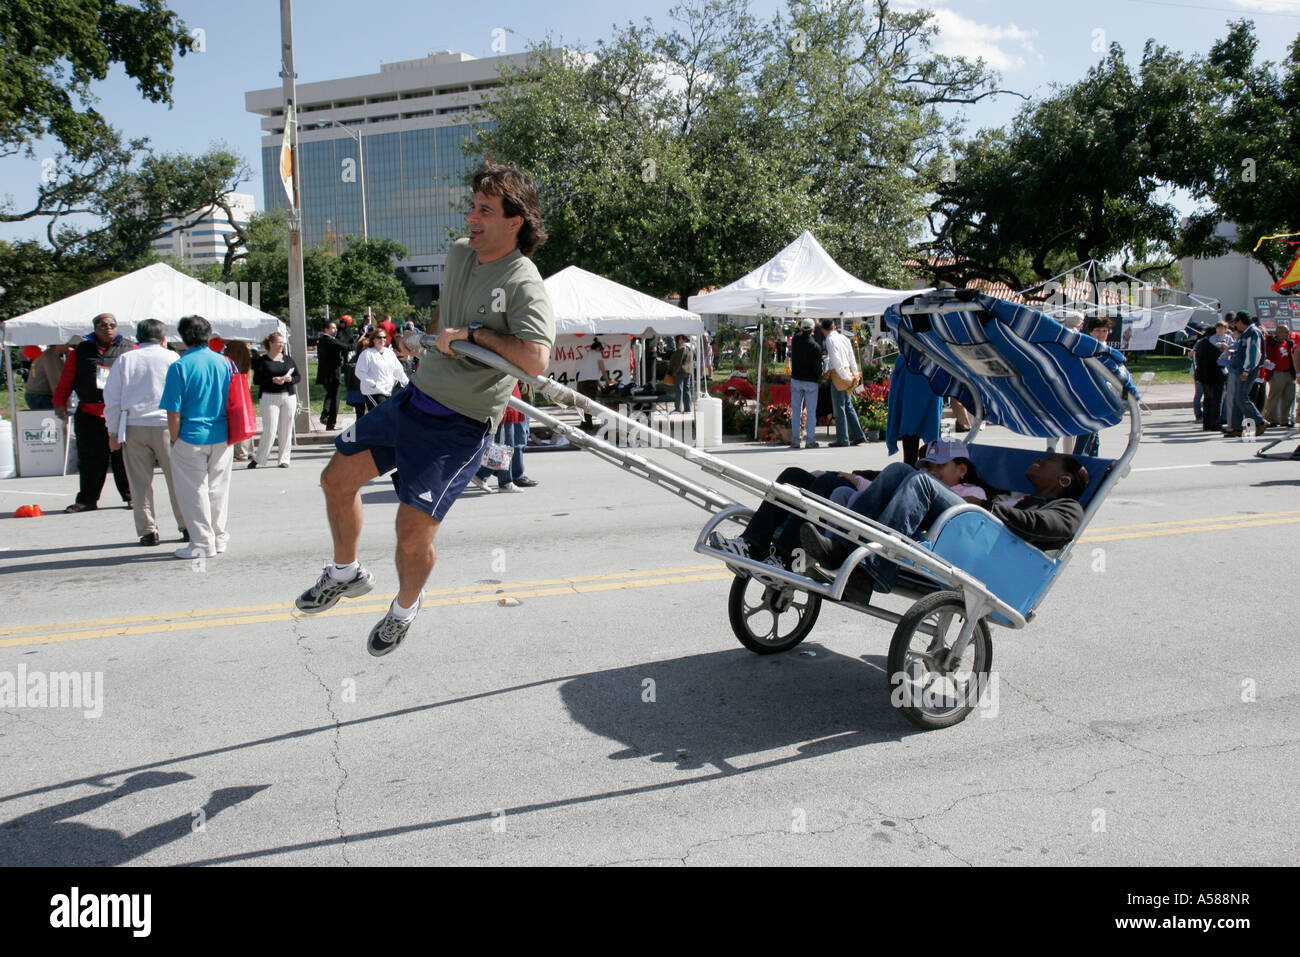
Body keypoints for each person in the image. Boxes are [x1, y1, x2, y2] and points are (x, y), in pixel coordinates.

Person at [292, 162, 555, 656]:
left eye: (484, 210)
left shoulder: (524, 281)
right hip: (413, 399)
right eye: (471, 207)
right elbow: (445, 315)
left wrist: (475, 335)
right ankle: (345, 573)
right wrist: (428, 339)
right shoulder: (460, 255)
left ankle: (403, 608)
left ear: (514, 221)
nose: (471, 218)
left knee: (410, 533)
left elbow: (537, 360)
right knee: (335, 479)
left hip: (458, 425)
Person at [800, 452, 1089, 597]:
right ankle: (842, 548)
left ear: (1063, 481)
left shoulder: (1068, 507)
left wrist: (990, 508)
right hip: (976, 527)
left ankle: (876, 568)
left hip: (987, 541)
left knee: (923, 482)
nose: (1039, 459)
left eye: (1049, 461)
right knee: (901, 470)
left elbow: (1047, 527)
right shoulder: (1020, 495)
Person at [710, 438, 986, 569]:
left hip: (916, 532)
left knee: (831, 486)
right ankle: (752, 544)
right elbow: (880, 488)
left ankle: (783, 557)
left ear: (962, 469)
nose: (933, 471)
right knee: (795, 475)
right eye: (928, 466)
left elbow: (978, 512)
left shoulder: (969, 493)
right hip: (874, 505)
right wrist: (851, 477)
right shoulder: (918, 485)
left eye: (940, 466)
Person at [102, 319, 185, 547]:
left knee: (139, 482)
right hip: (167, 423)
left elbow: (112, 399)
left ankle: (148, 530)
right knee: (177, 478)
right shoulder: (172, 358)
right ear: (163, 338)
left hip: (134, 424)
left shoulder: (125, 359)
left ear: (138, 337)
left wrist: (113, 432)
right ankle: (186, 524)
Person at [160, 315, 235, 560]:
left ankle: (202, 542)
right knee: (218, 490)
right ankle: (219, 536)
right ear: (209, 334)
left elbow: (174, 410)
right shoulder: (225, 362)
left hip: (191, 435)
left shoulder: (180, 366)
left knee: (194, 492)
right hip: (223, 433)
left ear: (182, 337)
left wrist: (174, 438)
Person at [53, 313, 133, 513]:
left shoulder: (130, 348)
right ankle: (87, 500)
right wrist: (59, 403)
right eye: (103, 325)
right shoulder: (81, 350)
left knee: (124, 459)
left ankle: (132, 497)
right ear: (94, 328)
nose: (108, 328)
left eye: (112, 324)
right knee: (90, 459)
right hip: (89, 412)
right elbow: (66, 380)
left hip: (120, 413)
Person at [469, 384, 538, 492]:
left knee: (505, 446)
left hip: (511, 404)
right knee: (504, 446)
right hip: (506, 407)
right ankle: (504, 482)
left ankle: (483, 475)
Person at [249, 331, 301, 469]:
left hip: (288, 396)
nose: (281, 345)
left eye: (282, 342)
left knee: (286, 428)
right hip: (269, 396)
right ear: (271, 343)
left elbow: (297, 376)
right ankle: (260, 458)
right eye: (278, 342)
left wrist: (290, 379)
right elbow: (257, 380)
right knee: (270, 429)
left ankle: (284, 459)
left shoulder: (288, 359)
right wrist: (272, 380)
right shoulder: (263, 360)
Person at [884, 353, 940, 464]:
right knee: (933, 452)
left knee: (911, 452)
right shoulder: (934, 355)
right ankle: (932, 471)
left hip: (910, 408)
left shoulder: (905, 358)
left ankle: (913, 473)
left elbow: (896, 390)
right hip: (927, 402)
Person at [1073, 316, 1113, 457]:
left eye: (1105, 330)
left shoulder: (1106, 349)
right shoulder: (1085, 348)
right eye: (1098, 330)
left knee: (1092, 433)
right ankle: (1081, 462)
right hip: (1086, 394)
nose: (1101, 334)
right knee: (1088, 432)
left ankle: (1091, 460)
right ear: (1090, 331)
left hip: (1100, 395)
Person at [1223, 312, 1266, 438]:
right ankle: (1236, 427)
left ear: (1241, 322)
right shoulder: (1247, 333)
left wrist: (1247, 370)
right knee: (1238, 398)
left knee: (1242, 397)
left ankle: (1260, 421)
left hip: (1247, 370)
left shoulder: (1253, 333)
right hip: (1240, 369)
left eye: (1236, 323)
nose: (1236, 326)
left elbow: (1253, 354)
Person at [789, 318, 824, 449]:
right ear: (812, 330)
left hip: (796, 378)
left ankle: (795, 440)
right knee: (811, 412)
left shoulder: (796, 340)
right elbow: (817, 368)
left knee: (796, 411)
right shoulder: (815, 346)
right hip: (810, 381)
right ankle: (810, 440)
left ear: (802, 328)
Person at [354, 328, 408, 410]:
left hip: (388, 390)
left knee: (383, 416)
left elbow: (398, 370)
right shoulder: (367, 354)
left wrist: (407, 383)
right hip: (373, 391)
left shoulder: (389, 353)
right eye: (379, 337)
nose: (382, 339)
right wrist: (372, 383)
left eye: (384, 337)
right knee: (384, 412)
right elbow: (359, 372)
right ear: (373, 339)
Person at [1193, 321, 1230, 432]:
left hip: (1202, 375)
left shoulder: (1200, 343)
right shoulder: (1215, 346)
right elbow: (1219, 361)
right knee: (1216, 400)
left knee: (1207, 399)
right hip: (1215, 375)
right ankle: (1215, 423)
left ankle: (1207, 423)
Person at [1263, 321, 1300, 428]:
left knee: (1288, 397)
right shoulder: (1271, 343)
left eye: (1288, 332)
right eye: (1285, 332)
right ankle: (1271, 419)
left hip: (1289, 372)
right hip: (1276, 373)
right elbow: (1266, 355)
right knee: (1275, 396)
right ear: (1278, 332)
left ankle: (1284, 419)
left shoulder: (1288, 343)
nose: (1288, 334)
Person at [24, 338, 78, 410]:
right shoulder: (51, 358)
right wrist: (66, 404)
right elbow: (57, 383)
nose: (69, 345)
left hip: (35, 395)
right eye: (67, 343)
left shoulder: (47, 355)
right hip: (40, 396)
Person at [316, 320, 349, 431]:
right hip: (332, 374)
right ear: (326, 329)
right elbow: (347, 347)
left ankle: (326, 415)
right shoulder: (328, 340)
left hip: (326, 374)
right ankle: (330, 422)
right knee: (335, 397)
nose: (336, 330)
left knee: (330, 395)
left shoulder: (323, 340)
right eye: (333, 328)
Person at [574, 337, 607, 430]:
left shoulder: (587, 354)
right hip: (589, 383)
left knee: (583, 404)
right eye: (601, 350)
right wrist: (608, 382)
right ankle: (587, 425)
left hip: (581, 382)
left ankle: (585, 424)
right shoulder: (597, 354)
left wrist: (599, 384)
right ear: (598, 349)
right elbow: (603, 371)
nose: (601, 352)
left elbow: (589, 373)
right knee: (589, 405)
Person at [668, 334, 694, 413]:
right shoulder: (691, 347)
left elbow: (678, 361)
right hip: (688, 371)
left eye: (681, 339)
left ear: (685, 339)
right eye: (679, 339)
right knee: (686, 390)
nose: (680, 341)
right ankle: (687, 408)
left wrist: (673, 371)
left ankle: (678, 408)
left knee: (679, 390)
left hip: (681, 371)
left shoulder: (683, 348)